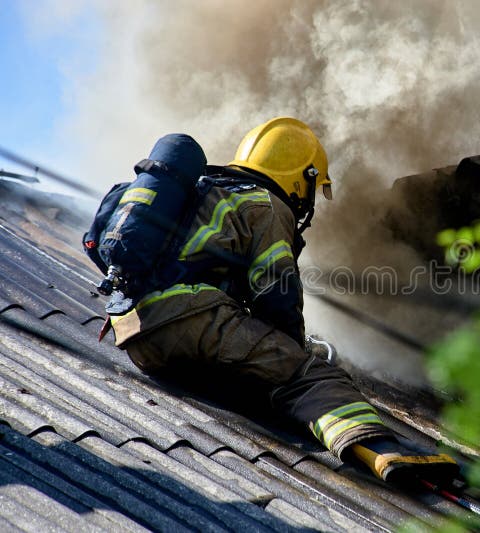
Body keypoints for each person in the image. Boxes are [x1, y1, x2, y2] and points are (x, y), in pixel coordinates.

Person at [107, 117, 458, 483]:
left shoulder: (207, 191)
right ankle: (380, 448)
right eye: (312, 187)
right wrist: (295, 351)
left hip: (135, 334)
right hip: (191, 319)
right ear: (302, 176)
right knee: (306, 373)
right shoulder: (265, 204)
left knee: (252, 373)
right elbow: (275, 293)